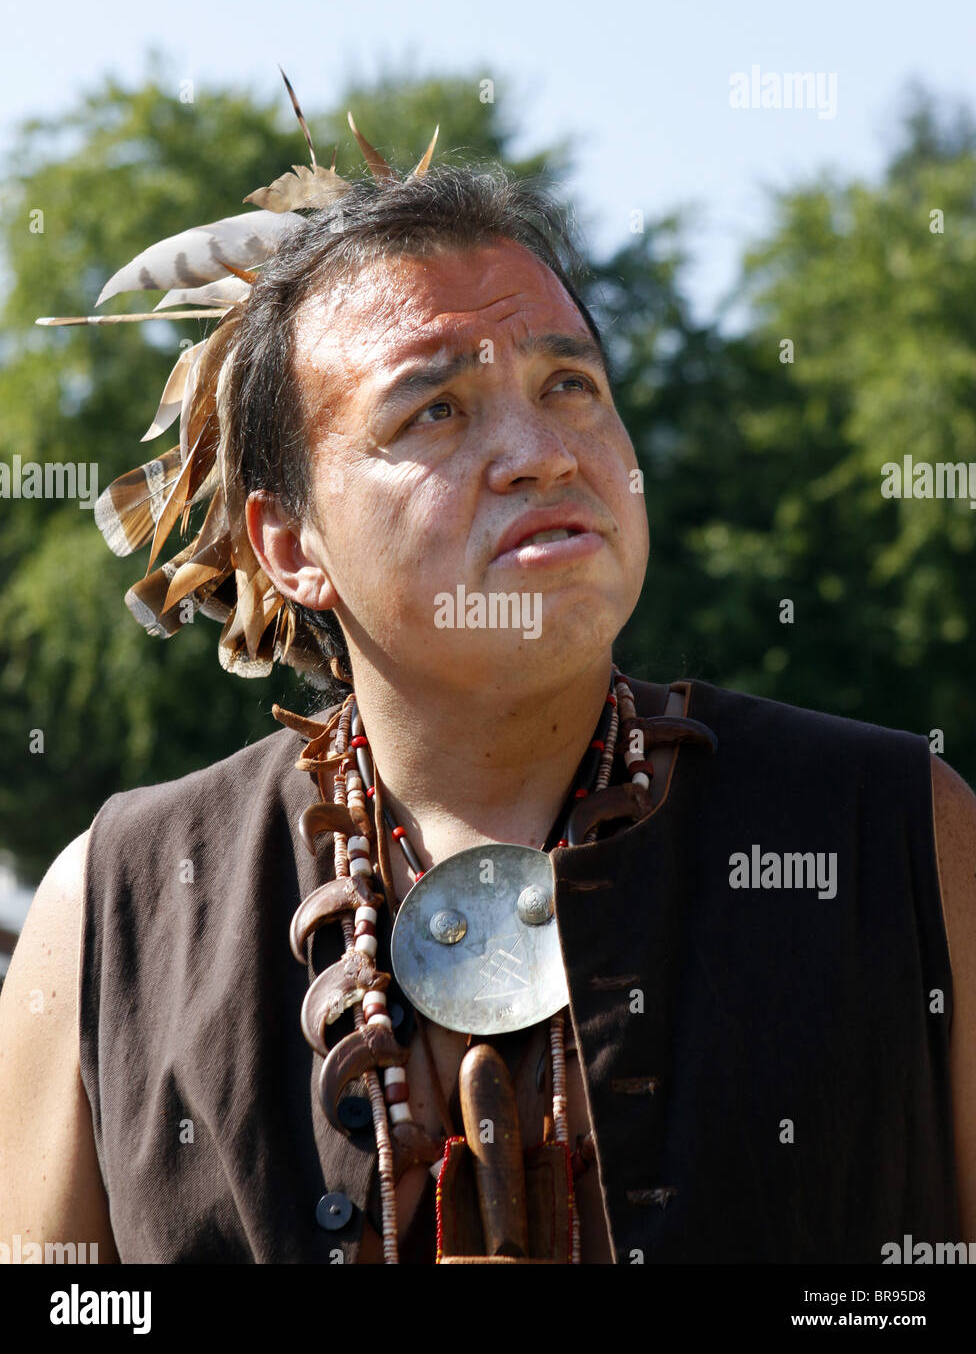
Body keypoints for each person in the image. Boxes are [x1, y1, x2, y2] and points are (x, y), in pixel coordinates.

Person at [1, 106, 974, 1265]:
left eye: (571, 385)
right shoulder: (119, 907)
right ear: (287, 543)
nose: (543, 450)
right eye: (437, 409)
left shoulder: (892, 831)